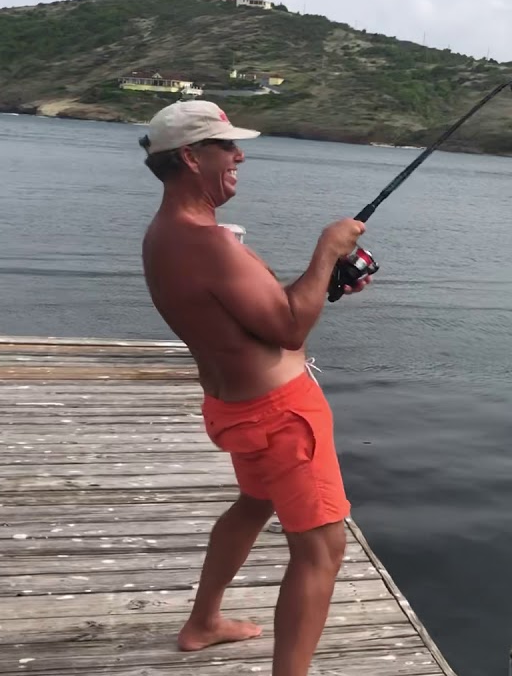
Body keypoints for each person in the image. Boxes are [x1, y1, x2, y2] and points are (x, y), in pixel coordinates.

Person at [137, 100, 372, 675]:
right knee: (322, 551)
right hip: (281, 416)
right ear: (191, 157)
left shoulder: (164, 236)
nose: (240, 155)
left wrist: (326, 285)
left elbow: (261, 314)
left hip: (234, 409)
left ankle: (203, 622)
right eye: (226, 147)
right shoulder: (213, 245)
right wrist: (327, 250)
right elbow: (290, 325)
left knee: (254, 504)